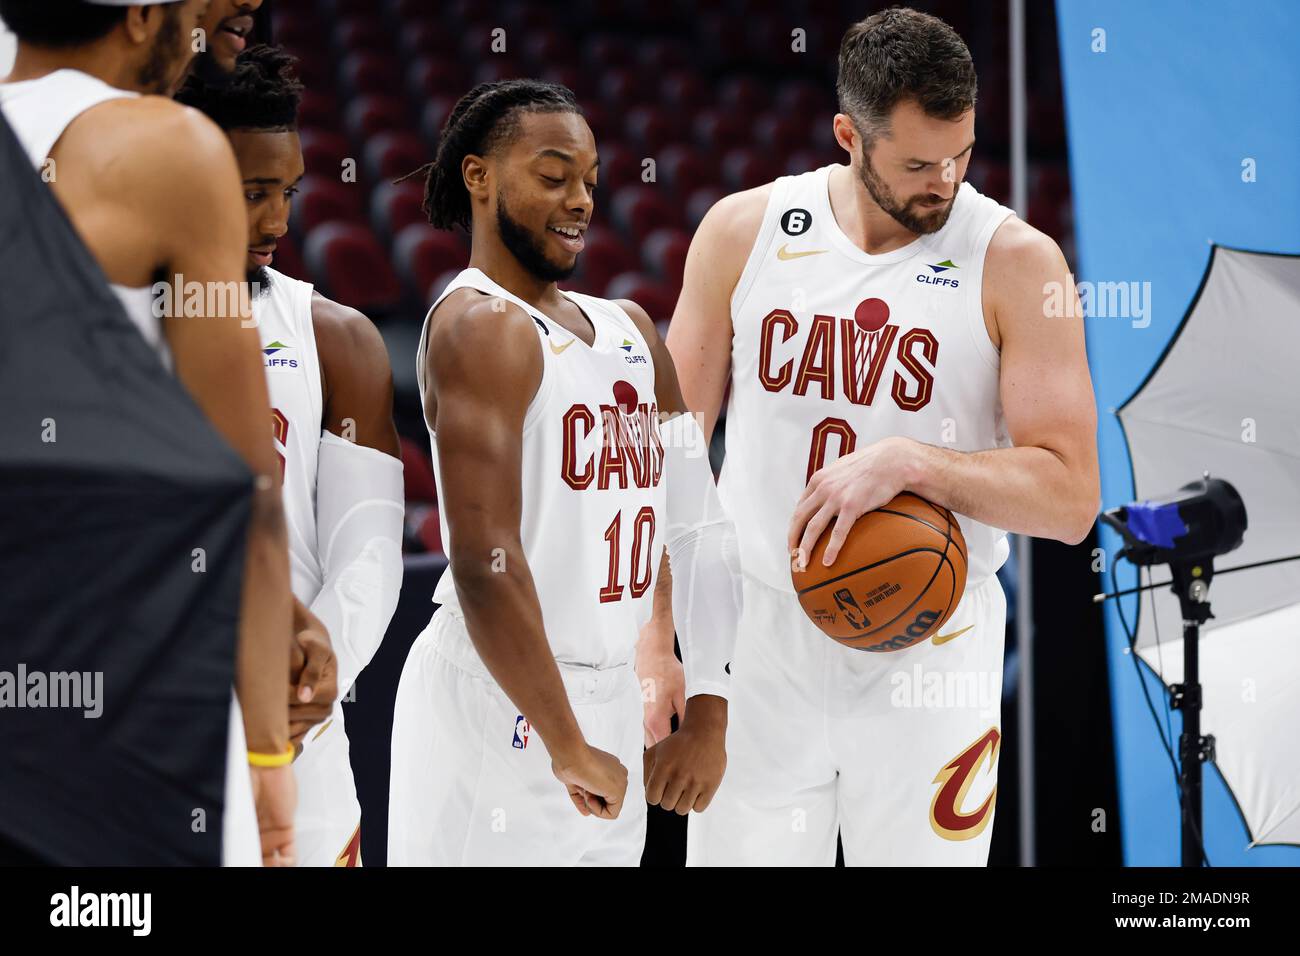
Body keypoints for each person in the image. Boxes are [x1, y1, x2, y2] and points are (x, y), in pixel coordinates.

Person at [653, 7, 1099, 865]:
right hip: (757, 640)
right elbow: (667, 454)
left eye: (961, 155)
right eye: (919, 163)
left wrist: (912, 461)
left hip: (931, 642)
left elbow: (1072, 498)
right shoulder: (744, 232)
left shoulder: (1018, 261)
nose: (946, 180)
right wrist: (658, 642)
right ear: (848, 136)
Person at [0, 0, 325, 865]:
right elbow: (246, 482)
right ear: (144, 17)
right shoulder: (168, 148)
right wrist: (266, 755)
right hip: (109, 675)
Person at [388, 79, 742, 866]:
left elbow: (700, 528)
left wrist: (713, 712)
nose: (580, 200)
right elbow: (485, 563)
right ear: (479, 176)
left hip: (612, 694)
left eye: (589, 180)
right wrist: (564, 741)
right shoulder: (478, 326)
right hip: (502, 699)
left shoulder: (630, 329)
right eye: (553, 177)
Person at [176, 44, 405, 867]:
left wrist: (314, 676)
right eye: (251, 194)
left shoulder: (336, 338)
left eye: (289, 192)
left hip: (301, 731)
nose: (278, 220)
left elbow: (371, 548)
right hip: (156, 720)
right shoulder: (94, 324)